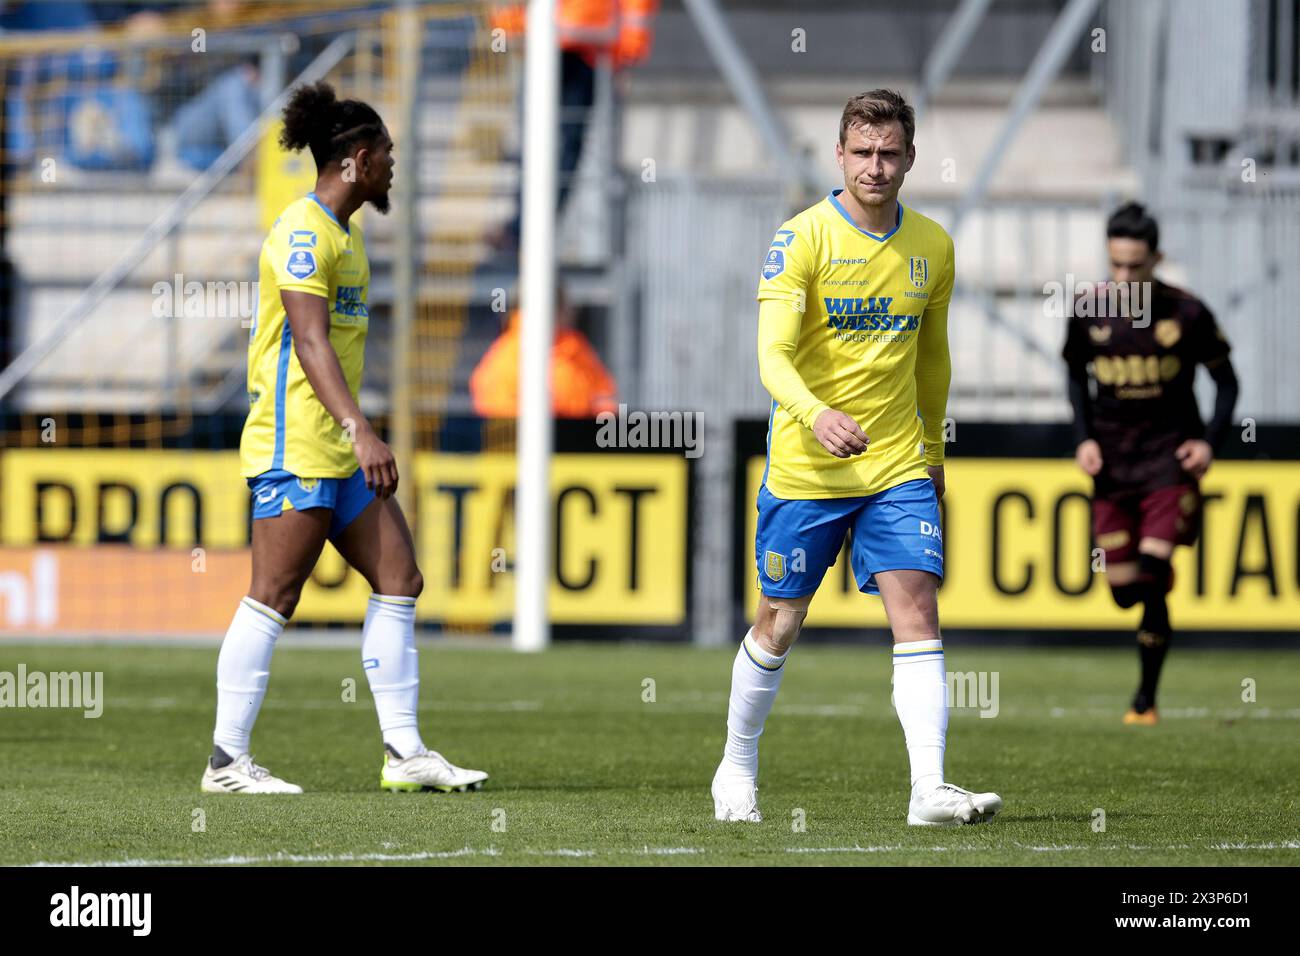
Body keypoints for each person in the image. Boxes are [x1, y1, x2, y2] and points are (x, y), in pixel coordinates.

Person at [711, 89, 1002, 827]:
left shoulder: (933, 246)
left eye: (890, 153)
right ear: (839, 155)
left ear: (909, 158)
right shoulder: (800, 239)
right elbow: (772, 357)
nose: (876, 166)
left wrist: (933, 450)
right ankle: (737, 763)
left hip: (896, 464)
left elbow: (932, 361)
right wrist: (816, 414)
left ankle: (928, 789)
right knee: (779, 621)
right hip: (806, 469)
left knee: (919, 607)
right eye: (863, 152)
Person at [202, 81, 487, 794]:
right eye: (388, 155)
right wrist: (362, 429)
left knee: (400, 578)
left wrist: (355, 433)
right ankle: (226, 762)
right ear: (359, 159)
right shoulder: (303, 233)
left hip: (338, 445)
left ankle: (404, 753)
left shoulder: (347, 238)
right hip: (296, 442)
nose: (394, 168)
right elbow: (307, 341)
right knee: (274, 593)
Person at [1063, 201, 1239, 725]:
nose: (1123, 276)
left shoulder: (1187, 313)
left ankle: (1145, 699)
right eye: (1115, 264)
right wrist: (1084, 439)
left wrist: (1209, 441)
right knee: (1124, 593)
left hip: (1168, 464)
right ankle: (1146, 678)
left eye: (1134, 266)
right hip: (1113, 468)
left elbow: (1227, 380)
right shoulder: (1089, 311)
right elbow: (1076, 377)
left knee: (1156, 569)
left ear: (1156, 259)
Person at [489, 0, 657, 250]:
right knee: (549, 140)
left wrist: (509, 28)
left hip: (580, 43)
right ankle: (526, 227)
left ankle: (528, 228)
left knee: (558, 141)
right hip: (567, 39)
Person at [469, 288, 617, 419]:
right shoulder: (507, 356)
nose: (571, 313)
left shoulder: (575, 346)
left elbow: (603, 396)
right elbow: (497, 412)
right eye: (564, 307)